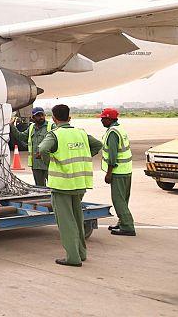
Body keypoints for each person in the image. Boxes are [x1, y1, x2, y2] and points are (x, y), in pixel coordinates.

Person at [37, 103, 103, 267]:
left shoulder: (55, 135)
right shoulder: (81, 133)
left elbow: (43, 149)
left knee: (66, 221)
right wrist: (84, 156)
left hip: (62, 185)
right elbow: (98, 145)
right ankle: (81, 252)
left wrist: (50, 162)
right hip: (80, 183)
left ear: (54, 118)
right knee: (77, 218)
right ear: (69, 117)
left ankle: (73, 257)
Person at [99, 108, 135, 236]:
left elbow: (112, 156)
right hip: (127, 170)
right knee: (124, 199)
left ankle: (128, 226)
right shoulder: (120, 129)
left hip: (118, 172)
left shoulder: (113, 133)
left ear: (109, 119)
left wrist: (109, 173)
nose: (101, 120)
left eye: (103, 118)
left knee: (118, 200)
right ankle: (122, 222)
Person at [10, 107, 53, 186]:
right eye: (38, 115)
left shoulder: (51, 126)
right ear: (33, 117)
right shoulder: (31, 127)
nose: (41, 117)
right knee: (40, 188)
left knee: (53, 186)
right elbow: (21, 136)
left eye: (42, 115)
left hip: (49, 164)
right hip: (36, 165)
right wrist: (12, 126)